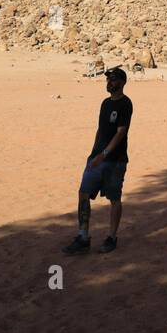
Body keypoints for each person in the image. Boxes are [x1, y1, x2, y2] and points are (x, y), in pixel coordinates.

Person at [64, 66, 133, 255]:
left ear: (122, 82)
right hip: (96, 159)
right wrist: (94, 153)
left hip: (115, 161)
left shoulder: (125, 104)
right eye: (108, 79)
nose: (109, 82)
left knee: (114, 198)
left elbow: (121, 132)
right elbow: (100, 130)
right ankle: (83, 236)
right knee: (83, 193)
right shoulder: (105, 103)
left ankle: (112, 237)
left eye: (113, 79)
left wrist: (105, 153)